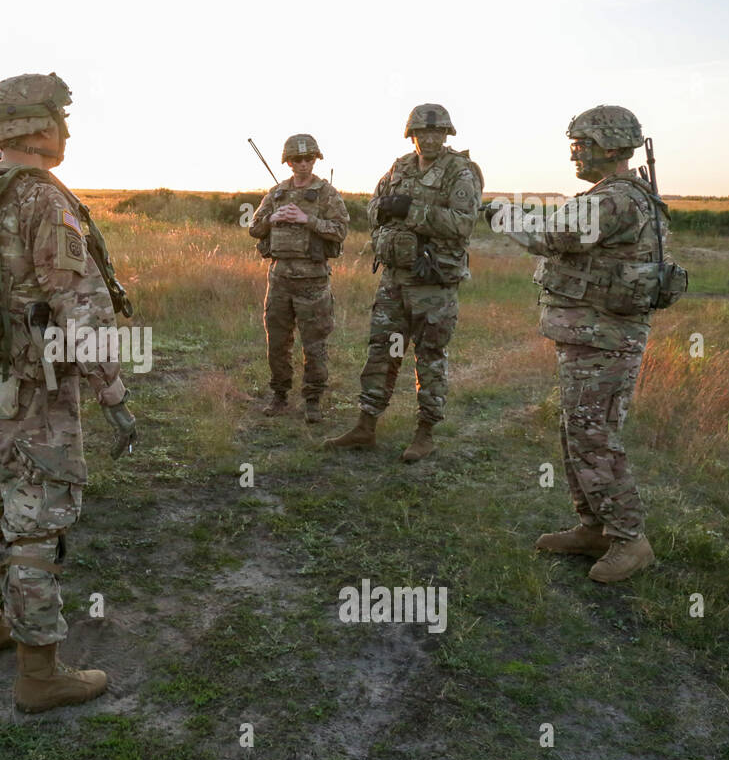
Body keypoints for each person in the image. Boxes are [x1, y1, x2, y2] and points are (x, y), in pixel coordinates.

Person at [0, 72, 136, 712]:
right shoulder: (41, 200)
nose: (68, 131)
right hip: (36, 392)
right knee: (38, 522)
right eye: (61, 119)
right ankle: (39, 671)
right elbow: (80, 310)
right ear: (41, 127)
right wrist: (112, 392)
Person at [504, 105, 681, 582]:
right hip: (591, 335)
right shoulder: (615, 196)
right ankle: (593, 527)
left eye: (582, 144)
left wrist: (502, 216)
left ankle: (629, 539)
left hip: (605, 338)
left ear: (611, 145)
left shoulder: (616, 199)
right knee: (577, 432)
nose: (574, 154)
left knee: (595, 436)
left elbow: (550, 234)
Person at [325, 103, 483, 462]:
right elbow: (374, 207)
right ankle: (366, 425)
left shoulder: (461, 171)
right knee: (383, 351)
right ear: (411, 135)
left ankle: (425, 434)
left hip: (433, 283)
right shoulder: (400, 166)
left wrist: (409, 211)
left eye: (436, 133)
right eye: (422, 133)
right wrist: (386, 221)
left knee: (429, 356)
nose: (428, 139)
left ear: (447, 135)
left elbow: (462, 223)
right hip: (394, 280)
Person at [247, 133, 349, 422]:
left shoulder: (327, 193)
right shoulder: (276, 193)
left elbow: (340, 230)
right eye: (296, 159)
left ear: (315, 160)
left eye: (308, 159)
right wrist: (273, 219)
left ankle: (313, 400)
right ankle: (279, 395)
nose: (302, 164)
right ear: (288, 162)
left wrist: (307, 220)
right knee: (277, 342)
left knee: (314, 343)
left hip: (313, 282)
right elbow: (254, 228)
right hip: (279, 280)